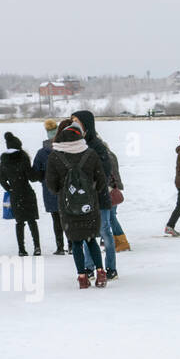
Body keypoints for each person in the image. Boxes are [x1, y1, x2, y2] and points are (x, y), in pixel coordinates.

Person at [43, 117, 107, 288]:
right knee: (91, 239)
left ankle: (82, 277)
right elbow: (101, 180)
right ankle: (101, 273)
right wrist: (90, 192)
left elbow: (51, 184)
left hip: (68, 206)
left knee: (76, 242)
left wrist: (64, 192)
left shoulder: (55, 156)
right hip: (89, 205)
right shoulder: (90, 154)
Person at [71, 110, 118, 279]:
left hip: (99, 195)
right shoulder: (75, 143)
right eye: (72, 121)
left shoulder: (96, 145)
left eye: (76, 120)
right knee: (86, 234)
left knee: (104, 231)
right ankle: (89, 266)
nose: (73, 124)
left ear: (86, 123)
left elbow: (105, 171)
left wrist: (90, 183)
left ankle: (111, 267)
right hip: (83, 198)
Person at [0, 132, 40, 256]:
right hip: (27, 192)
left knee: (19, 222)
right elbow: (31, 177)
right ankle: (37, 247)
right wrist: (39, 173)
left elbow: (1, 180)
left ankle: (21, 249)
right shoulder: (23, 156)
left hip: (15, 195)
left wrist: (11, 189)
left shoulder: (4, 160)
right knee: (32, 221)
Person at [30, 119, 66, 255]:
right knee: (67, 218)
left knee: (56, 219)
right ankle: (73, 245)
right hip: (65, 189)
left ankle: (60, 247)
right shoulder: (65, 148)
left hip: (50, 190)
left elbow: (35, 174)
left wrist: (43, 178)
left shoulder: (41, 153)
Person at [106, 145, 129, 252]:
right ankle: (116, 241)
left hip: (109, 189)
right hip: (112, 188)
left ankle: (122, 242)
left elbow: (111, 174)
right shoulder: (109, 154)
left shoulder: (106, 156)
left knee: (111, 218)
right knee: (111, 217)